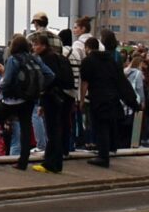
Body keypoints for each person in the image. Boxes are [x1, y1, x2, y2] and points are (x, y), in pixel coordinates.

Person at [77, 36, 137, 167]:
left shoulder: (88, 61)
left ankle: (103, 157)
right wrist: (130, 99)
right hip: (113, 97)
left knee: (101, 127)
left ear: (87, 48)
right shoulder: (110, 60)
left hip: (98, 98)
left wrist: (81, 100)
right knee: (110, 124)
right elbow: (120, 79)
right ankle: (110, 149)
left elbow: (85, 83)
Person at [0, 36, 48, 168]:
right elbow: (50, 74)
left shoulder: (13, 59)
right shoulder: (34, 58)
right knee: (26, 127)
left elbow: (7, 80)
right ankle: (23, 161)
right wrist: (40, 89)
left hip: (14, 98)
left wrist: (2, 90)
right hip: (30, 98)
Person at [32, 32, 75, 174]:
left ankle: (51, 163)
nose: (34, 47)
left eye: (36, 45)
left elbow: (49, 78)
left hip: (51, 97)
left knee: (52, 131)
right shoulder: (59, 57)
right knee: (57, 129)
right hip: (63, 97)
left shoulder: (45, 59)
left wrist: (42, 95)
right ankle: (55, 162)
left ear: (44, 46)